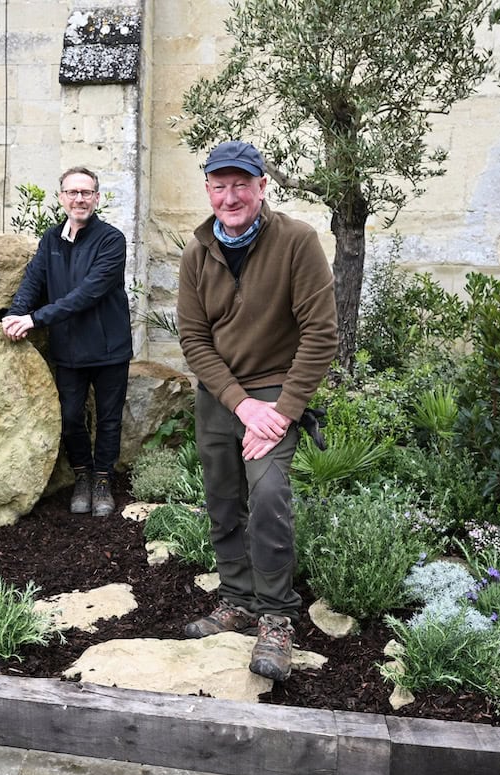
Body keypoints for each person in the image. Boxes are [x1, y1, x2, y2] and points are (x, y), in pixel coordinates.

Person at [175, 140, 338, 681]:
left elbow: (321, 334)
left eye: (241, 185)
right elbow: (194, 339)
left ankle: (275, 616)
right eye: (219, 186)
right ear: (208, 190)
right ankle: (237, 600)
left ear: (262, 186)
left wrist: (282, 410)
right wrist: (239, 403)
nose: (231, 197)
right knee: (223, 500)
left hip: (274, 394)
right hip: (221, 396)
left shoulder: (297, 241)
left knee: (267, 496)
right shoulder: (197, 254)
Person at [3, 166, 133, 518]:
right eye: (72, 192)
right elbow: (34, 280)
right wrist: (15, 315)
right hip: (69, 348)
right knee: (71, 416)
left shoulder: (112, 240)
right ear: (61, 198)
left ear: (96, 198)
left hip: (109, 347)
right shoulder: (51, 240)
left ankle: (103, 480)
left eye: (86, 192)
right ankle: (83, 476)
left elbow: (88, 293)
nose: (79, 199)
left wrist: (36, 319)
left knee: (108, 419)